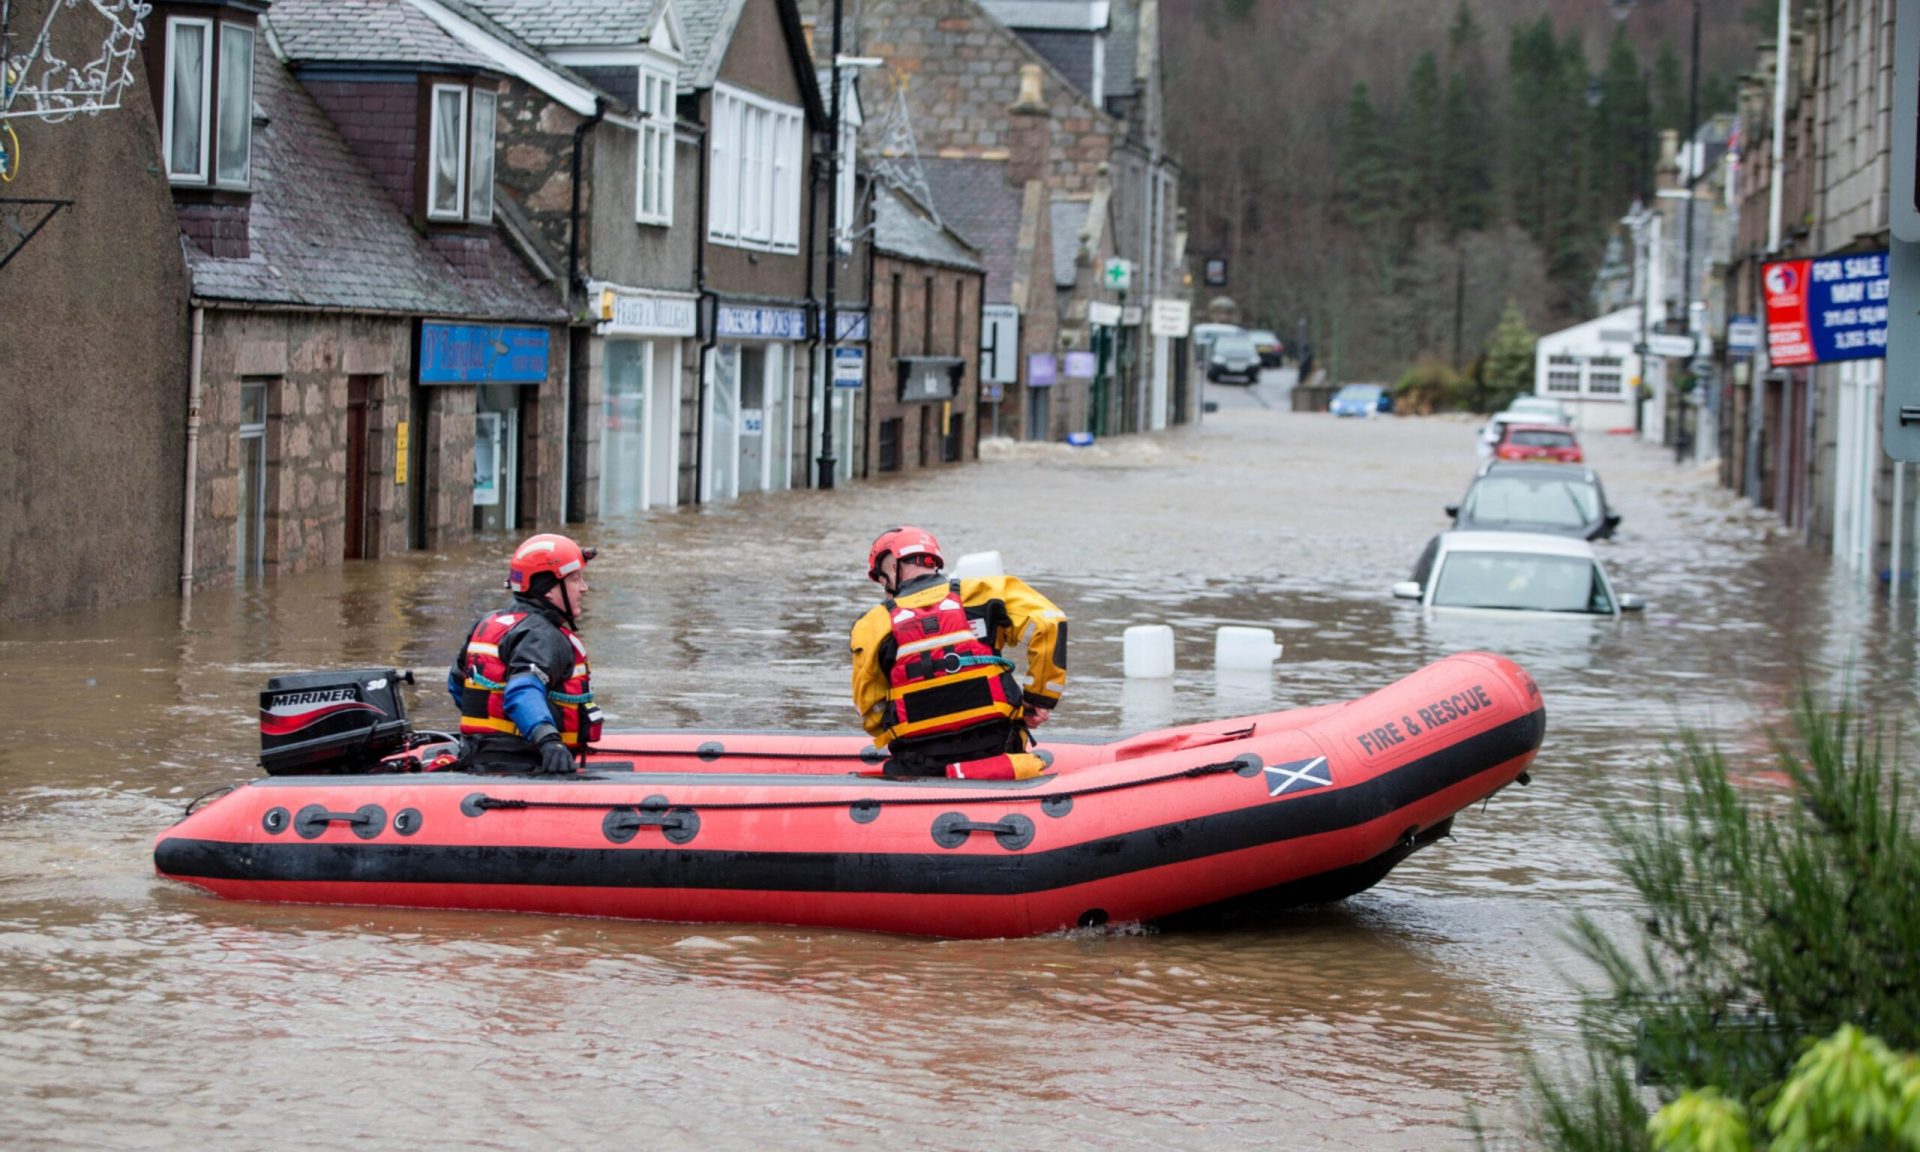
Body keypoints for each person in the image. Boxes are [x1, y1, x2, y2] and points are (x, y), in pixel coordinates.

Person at [850, 527, 1067, 780]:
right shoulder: (989, 592)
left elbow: (870, 709)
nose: (884, 587)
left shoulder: (872, 624)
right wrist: (1039, 699)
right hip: (998, 751)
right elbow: (1049, 623)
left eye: (881, 577)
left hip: (918, 764)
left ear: (892, 565)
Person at [448, 533, 602, 775]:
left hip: (480, 756)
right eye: (575, 579)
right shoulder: (543, 635)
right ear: (549, 588)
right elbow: (522, 691)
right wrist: (549, 741)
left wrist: (493, 731)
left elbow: (459, 684)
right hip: (520, 762)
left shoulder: (490, 623)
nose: (584, 588)